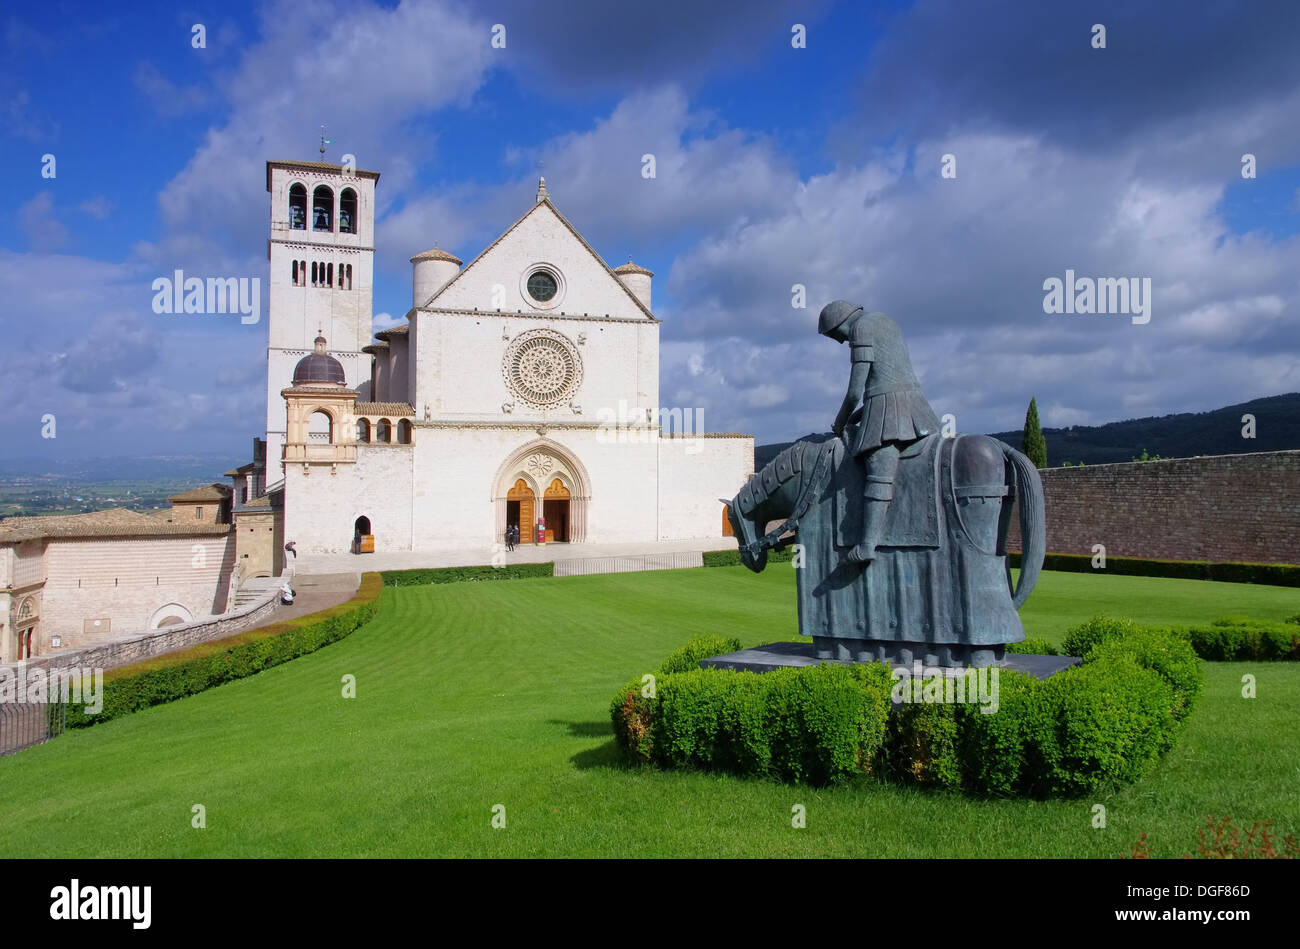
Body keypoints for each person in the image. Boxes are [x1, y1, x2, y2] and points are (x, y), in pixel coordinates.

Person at [819, 300, 941, 564]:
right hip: (914, 406)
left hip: (891, 412)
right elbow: (885, 383)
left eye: (836, 335)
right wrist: (857, 417)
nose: (842, 341)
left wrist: (840, 422)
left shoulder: (861, 329)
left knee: (879, 470)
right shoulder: (887, 322)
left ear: (840, 323)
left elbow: (855, 392)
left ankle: (867, 545)